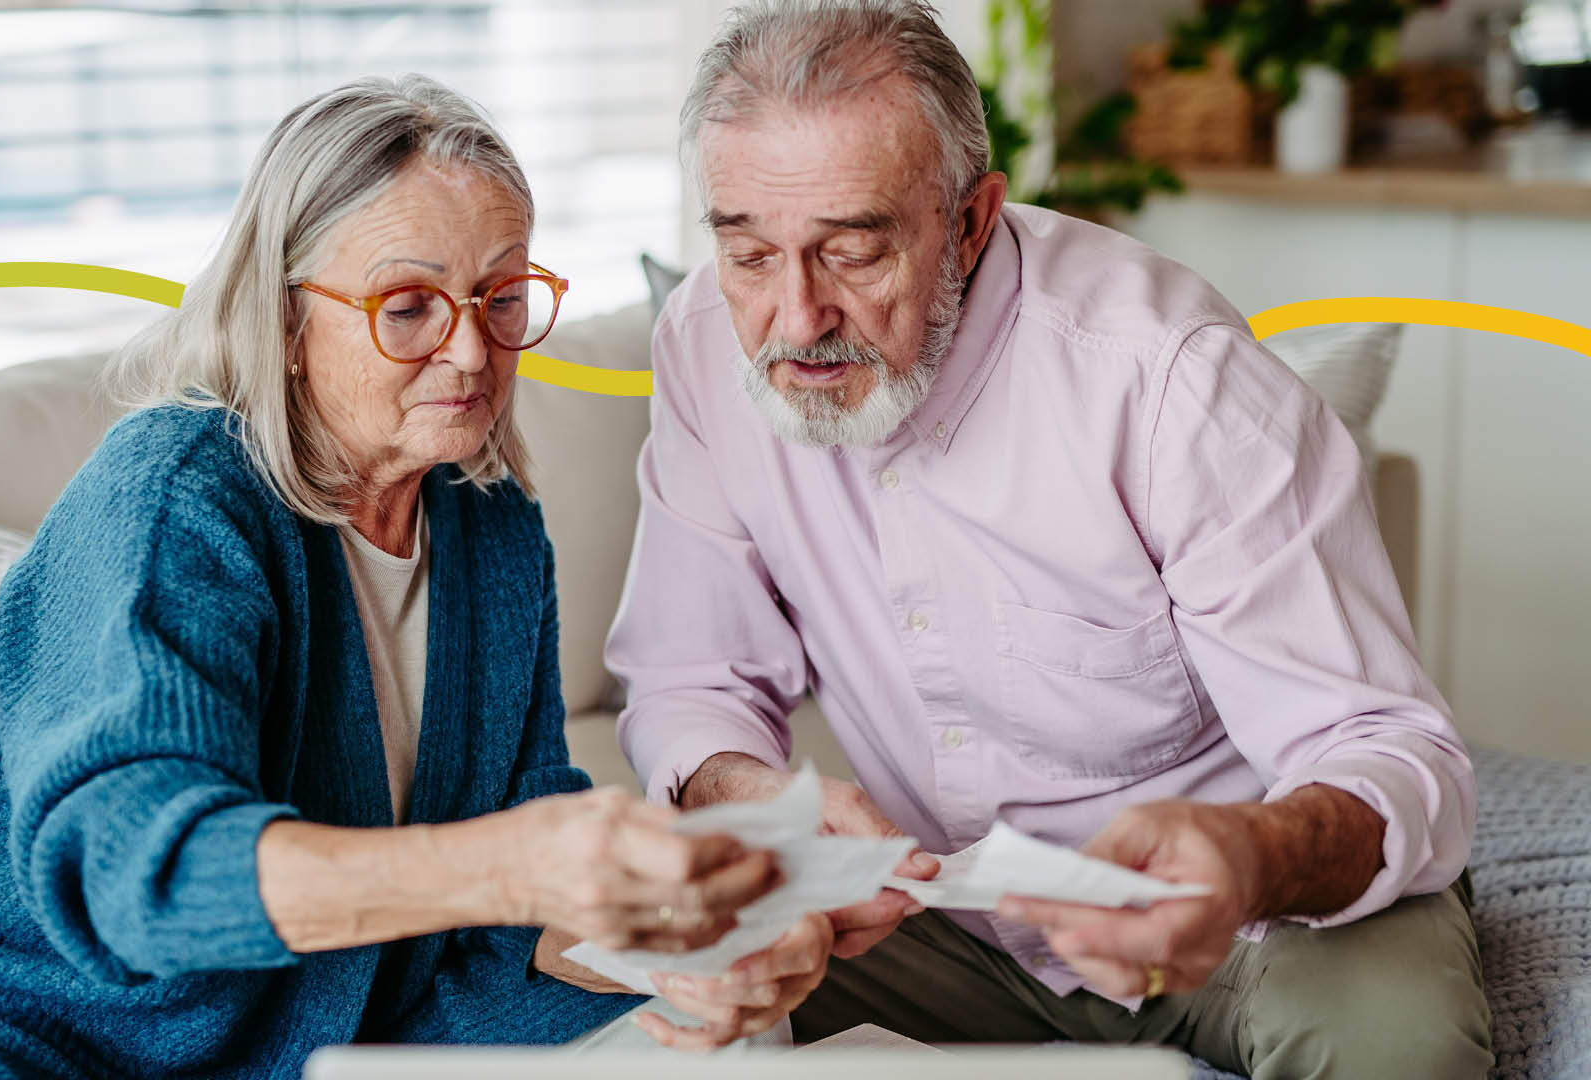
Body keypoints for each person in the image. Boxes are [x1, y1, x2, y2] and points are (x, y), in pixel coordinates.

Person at [0, 75, 829, 1080]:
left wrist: (685, 946)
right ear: (282, 324)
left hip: (323, 1021)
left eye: (502, 296)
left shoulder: (492, 526)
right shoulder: (174, 494)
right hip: (21, 1031)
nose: (470, 354)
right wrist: (510, 862)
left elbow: (514, 911)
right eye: (407, 305)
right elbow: (144, 879)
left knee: (726, 1028)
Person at [606, 2, 1493, 1076]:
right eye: (749, 253)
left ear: (973, 221)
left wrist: (1251, 858)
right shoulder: (706, 349)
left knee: (1403, 1052)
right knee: (619, 1001)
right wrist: (763, 807)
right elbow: (688, 678)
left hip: (1245, 916)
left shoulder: (1169, 379)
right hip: (934, 920)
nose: (796, 319)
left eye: (852, 252)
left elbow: (1391, 752)